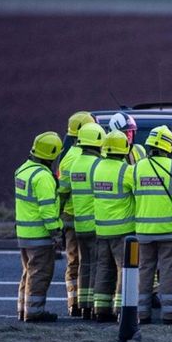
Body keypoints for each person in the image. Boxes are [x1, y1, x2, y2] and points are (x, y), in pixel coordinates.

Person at [134, 125, 172, 324]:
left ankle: (142, 314)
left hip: (144, 231)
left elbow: (131, 192)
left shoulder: (138, 167)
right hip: (170, 231)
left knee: (145, 271)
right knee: (168, 271)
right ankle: (170, 314)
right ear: (168, 146)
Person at [15, 131, 64, 322]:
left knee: (28, 272)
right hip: (39, 235)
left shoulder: (22, 170)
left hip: (24, 234)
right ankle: (35, 312)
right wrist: (56, 233)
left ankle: (23, 309)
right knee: (40, 274)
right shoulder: (43, 177)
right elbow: (47, 210)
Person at [92, 130, 135, 323]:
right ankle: (120, 308)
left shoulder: (97, 167)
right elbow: (138, 192)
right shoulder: (126, 170)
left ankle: (100, 308)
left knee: (103, 268)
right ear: (124, 148)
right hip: (122, 230)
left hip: (102, 229)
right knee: (123, 270)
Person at [57, 111, 95, 317]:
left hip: (70, 216)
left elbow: (61, 193)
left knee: (74, 261)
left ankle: (74, 302)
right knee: (89, 261)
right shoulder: (94, 156)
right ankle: (84, 302)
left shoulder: (68, 157)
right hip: (87, 216)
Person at [69, 122, 106, 320]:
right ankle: (93, 305)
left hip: (80, 225)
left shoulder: (75, 164)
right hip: (95, 225)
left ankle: (83, 304)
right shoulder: (97, 165)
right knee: (98, 265)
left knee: (85, 265)